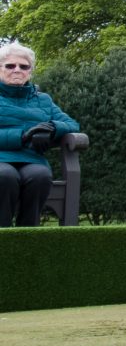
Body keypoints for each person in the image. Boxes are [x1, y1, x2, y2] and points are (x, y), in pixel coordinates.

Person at [0, 41, 79, 229]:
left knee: (40, 176)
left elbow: (72, 124)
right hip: (1, 159)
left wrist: (50, 128)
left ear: (30, 71)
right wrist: (23, 136)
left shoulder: (43, 100)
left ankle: (28, 235)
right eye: (10, 65)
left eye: (23, 66)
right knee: (5, 176)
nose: (17, 70)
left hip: (31, 160)